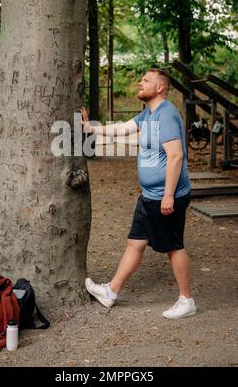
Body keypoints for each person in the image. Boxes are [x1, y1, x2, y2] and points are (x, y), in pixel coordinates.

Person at [81, 68, 196, 319]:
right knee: (136, 242)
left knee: (173, 247)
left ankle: (186, 300)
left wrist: (168, 196)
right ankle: (110, 292)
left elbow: (175, 156)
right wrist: (91, 128)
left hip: (166, 197)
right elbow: (123, 128)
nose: (139, 82)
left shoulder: (165, 114)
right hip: (149, 196)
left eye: (146, 80)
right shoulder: (149, 114)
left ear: (160, 88)